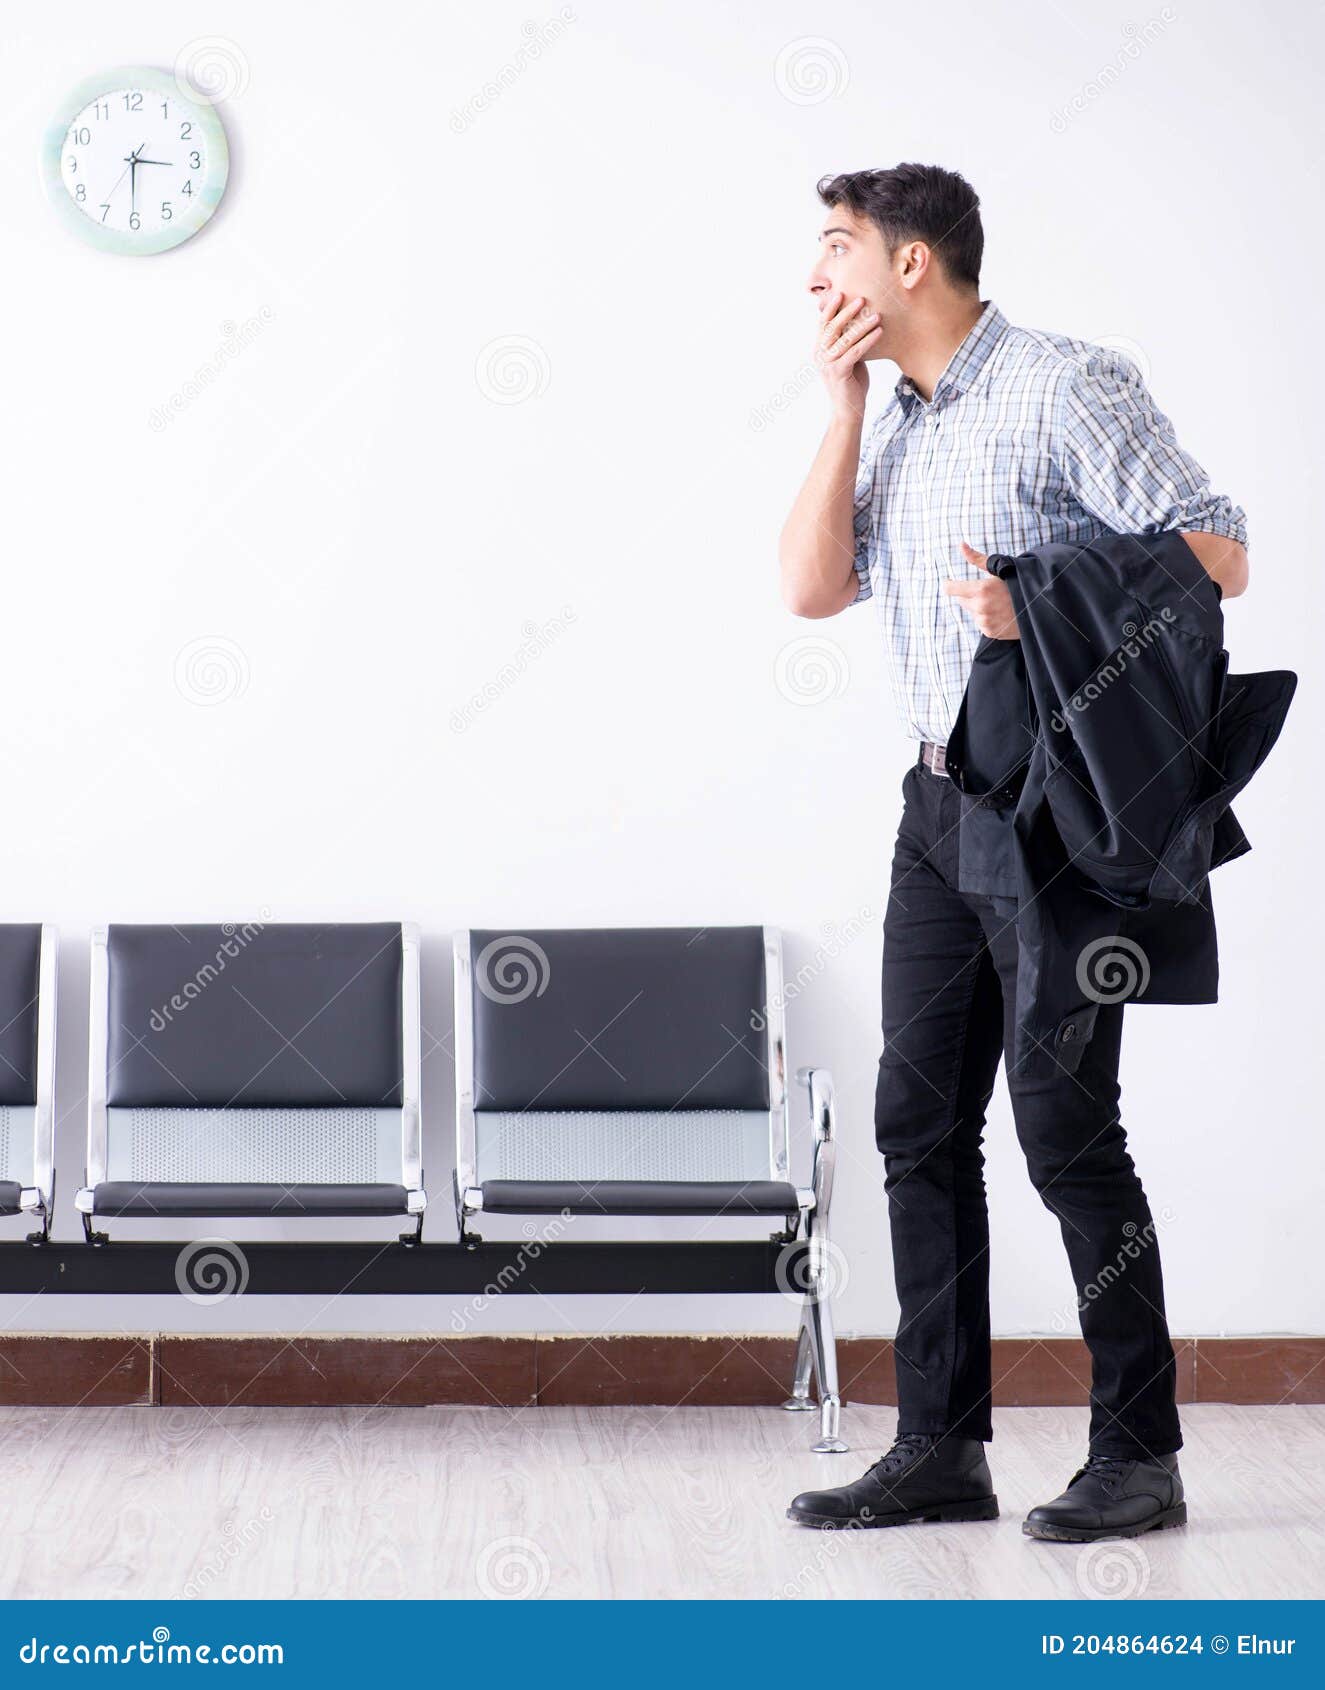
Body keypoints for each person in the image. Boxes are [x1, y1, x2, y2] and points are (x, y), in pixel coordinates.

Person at [778, 162, 1247, 1542]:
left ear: (909, 263)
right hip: (935, 813)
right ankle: (937, 1447)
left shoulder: (1062, 383)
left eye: (833, 249)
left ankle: (1137, 1454)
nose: (814, 280)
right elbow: (808, 589)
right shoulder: (899, 422)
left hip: (1053, 824)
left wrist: (1028, 602)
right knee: (914, 1128)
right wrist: (841, 411)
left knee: (1062, 1133)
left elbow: (1216, 551)